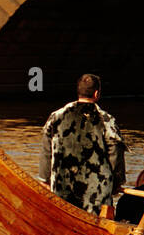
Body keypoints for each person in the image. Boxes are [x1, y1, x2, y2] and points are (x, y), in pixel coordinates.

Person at [38, 73, 126, 215]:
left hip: (62, 187)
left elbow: (46, 151)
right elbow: (115, 154)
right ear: (96, 93)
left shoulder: (56, 116)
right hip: (97, 193)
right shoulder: (106, 120)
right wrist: (117, 183)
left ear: (78, 91)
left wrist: (44, 179)